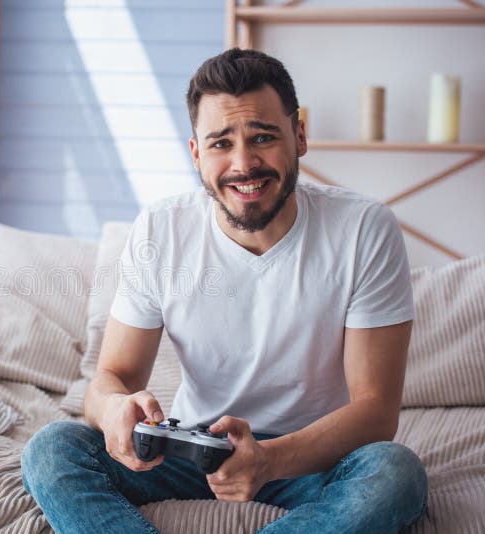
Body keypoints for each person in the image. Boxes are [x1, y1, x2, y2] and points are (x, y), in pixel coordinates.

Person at [21, 48, 428, 533]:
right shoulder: (160, 230)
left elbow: (376, 411)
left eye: (263, 137)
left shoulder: (364, 228)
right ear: (197, 154)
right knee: (51, 450)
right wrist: (113, 410)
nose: (244, 164)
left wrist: (270, 460)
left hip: (312, 459)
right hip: (191, 450)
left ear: (299, 136)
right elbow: (112, 376)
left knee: (395, 473)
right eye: (221, 143)